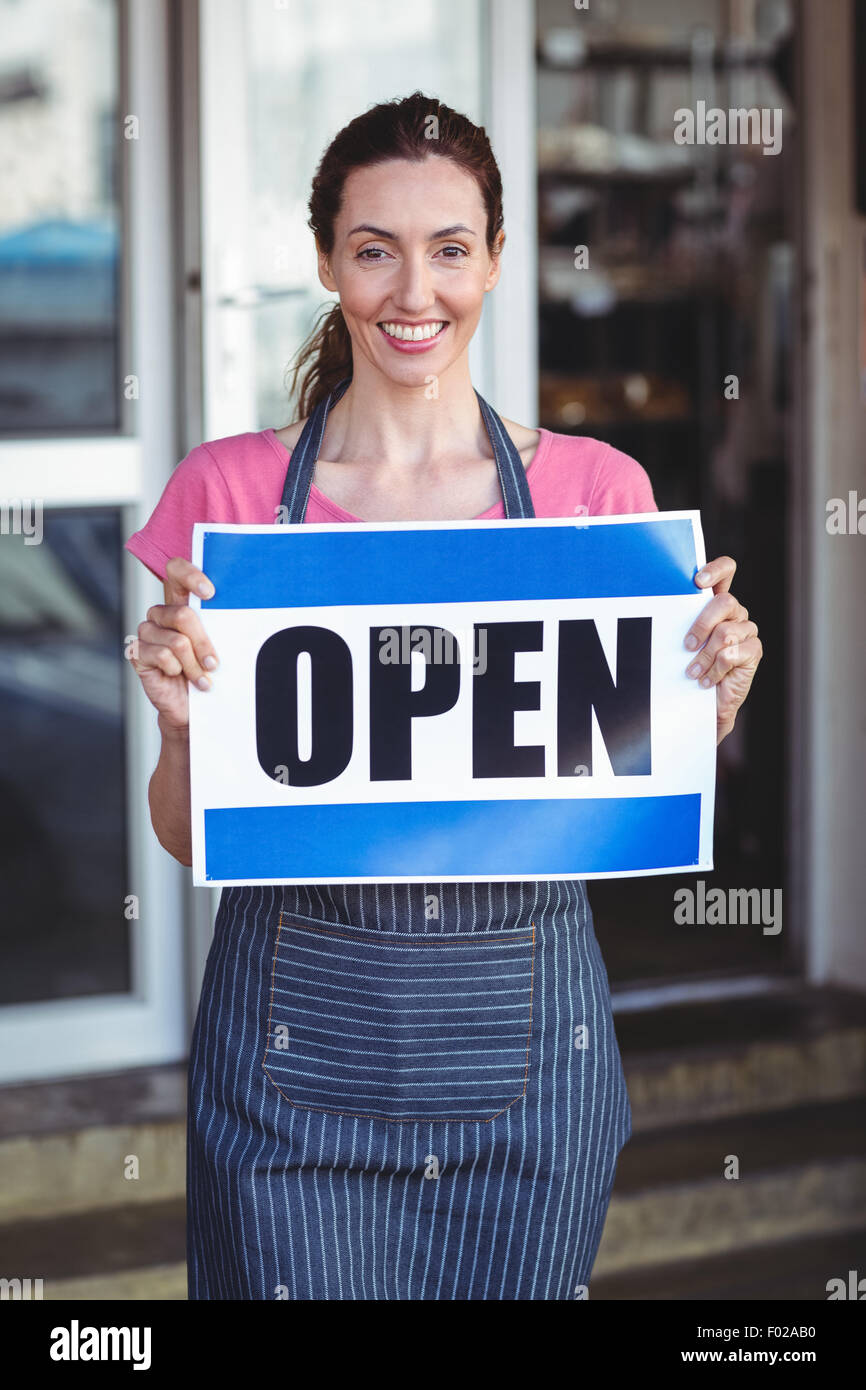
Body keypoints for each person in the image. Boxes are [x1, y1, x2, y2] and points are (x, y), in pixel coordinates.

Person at [126, 92, 762, 1300]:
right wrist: (176, 732)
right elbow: (182, 832)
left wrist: (705, 694)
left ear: (495, 261)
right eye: (374, 250)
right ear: (327, 258)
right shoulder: (229, 498)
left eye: (448, 249)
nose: (411, 293)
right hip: (287, 1083)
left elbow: (634, 788)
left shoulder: (594, 492)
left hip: (531, 1083)